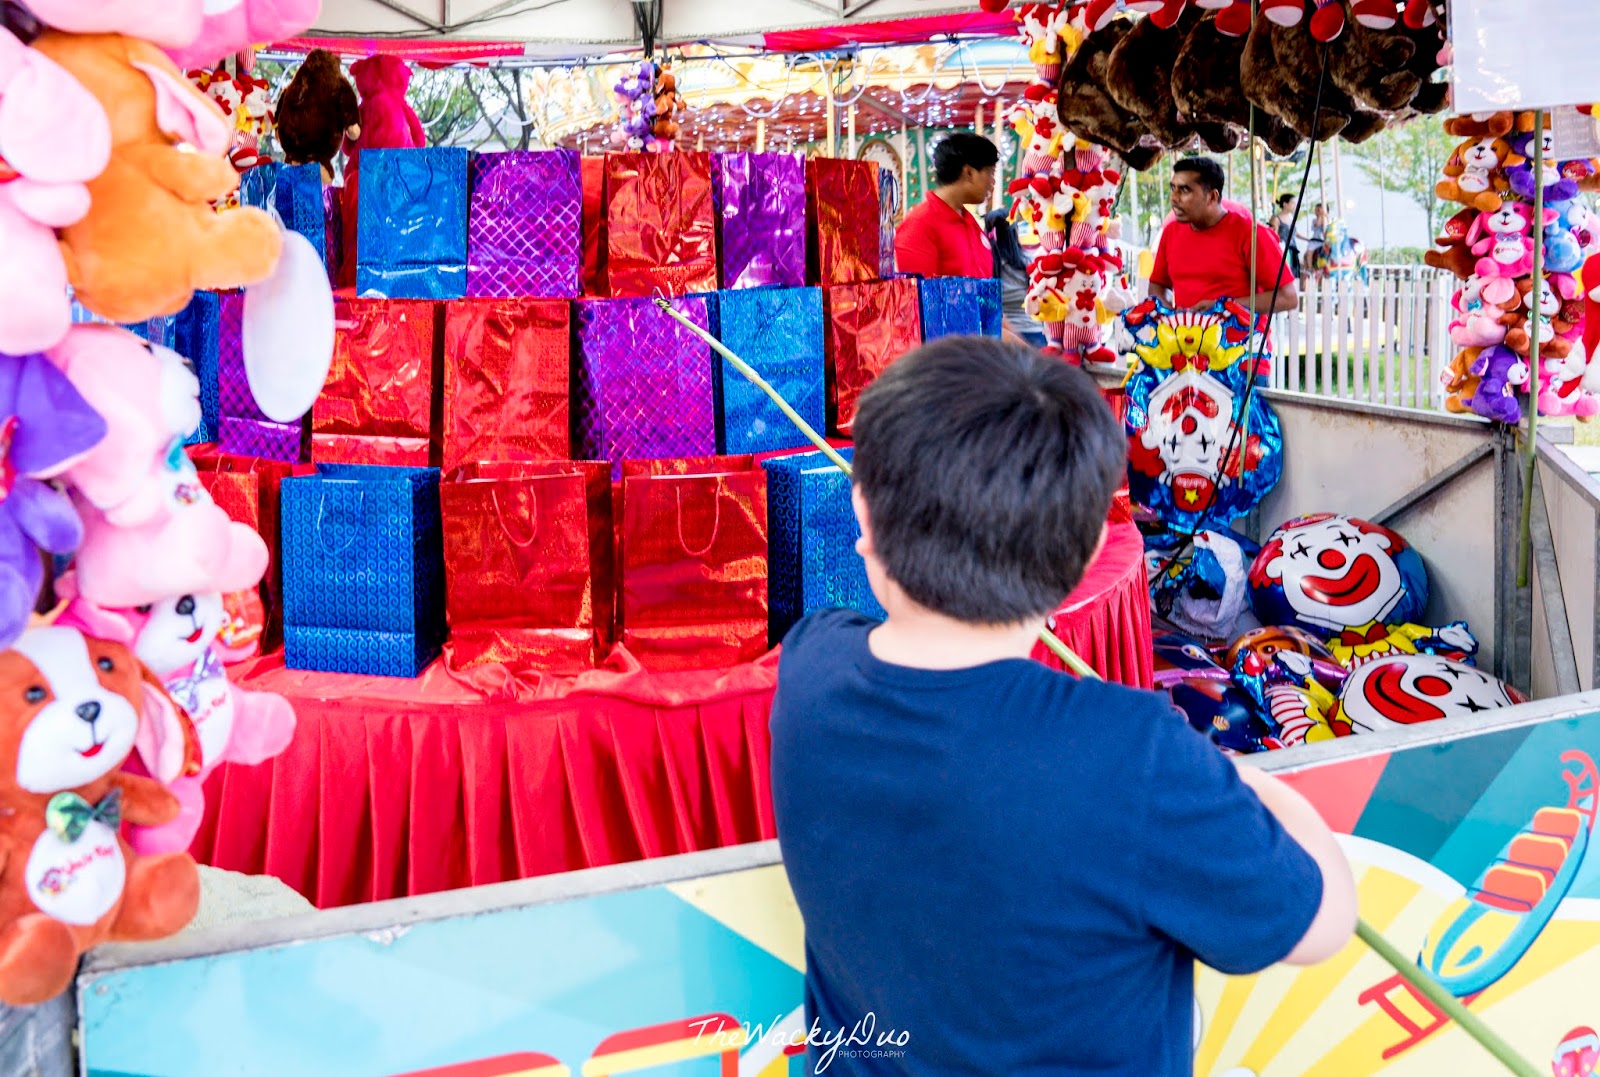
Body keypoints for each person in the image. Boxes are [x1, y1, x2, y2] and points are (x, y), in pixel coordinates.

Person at [770, 338, 1357, 1076]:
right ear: (1084, 561)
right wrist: (1226, 777)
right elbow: (1321, 920)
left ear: (862, 514)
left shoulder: (810, 669)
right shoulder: (1134, 758)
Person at [1147, 157, 1299, 315]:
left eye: (1185, 190)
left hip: (1242, 339)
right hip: (1183, 337)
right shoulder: (1171, 232)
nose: (1174, 197)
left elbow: (1287, 298)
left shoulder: (1251, 234)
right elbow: (1157, 285)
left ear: (1212, 197)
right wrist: (1168, 313)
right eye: (1173, 188)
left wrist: (1223, 306)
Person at [895, 133, 998, 280]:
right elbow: (915, 295)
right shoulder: (919, 225)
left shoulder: (968, 221)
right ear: (968, 172)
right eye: (990, 172)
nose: (992, 182)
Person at [984, 209, 1046, 348]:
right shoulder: (1029, 263)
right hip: (1034, 333)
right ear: (1015, 231)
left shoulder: (985, 267)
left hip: (1000, 338)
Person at [1271, 193, 1302, 281]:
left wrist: (1309, 240)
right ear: (1285, 204)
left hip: (1293, 249)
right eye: (1292, 203)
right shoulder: (1276, 219)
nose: (1294, 206)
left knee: (1293, 274)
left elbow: (1295, 233)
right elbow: (1274, 236)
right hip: (1283, 249)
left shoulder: (1292, 218)